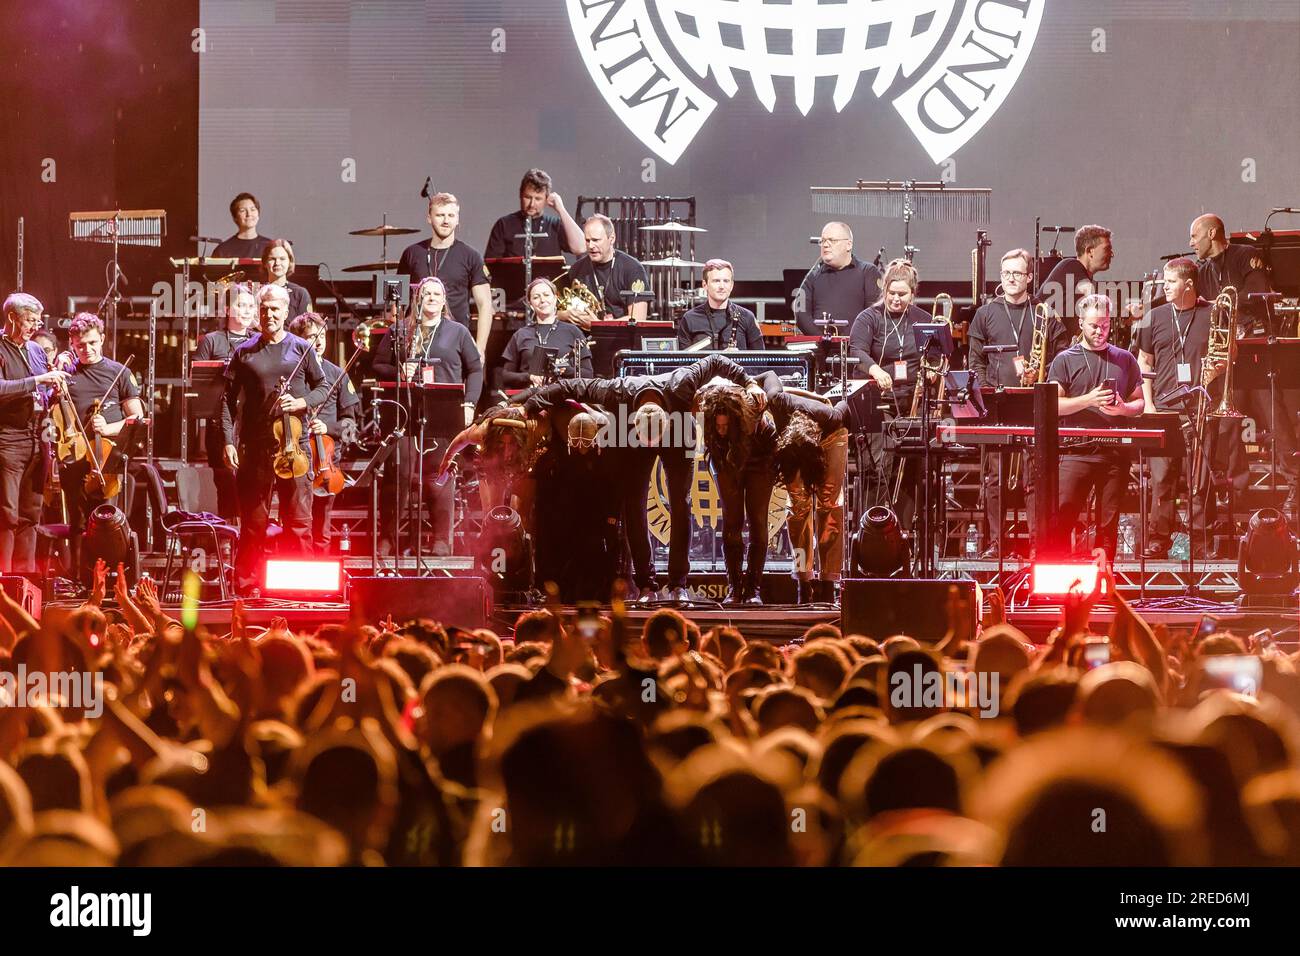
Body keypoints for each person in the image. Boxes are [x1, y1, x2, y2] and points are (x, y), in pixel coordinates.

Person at [513, 355, 765, 603]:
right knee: (634, 505)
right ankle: (646, 584)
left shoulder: (682, 382)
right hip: (633, 441)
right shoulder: (617, 392)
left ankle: (678, 584)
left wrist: (749, 381)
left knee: (680, 503)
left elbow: (717, 360)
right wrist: (528, 406)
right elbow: (570, 386)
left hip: (678, 437)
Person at [221, 284, 329, 596]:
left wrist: (302, 403)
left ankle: (300, 588)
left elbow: (323, 386)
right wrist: (228, 440)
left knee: (298, 521)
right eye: (264, 309)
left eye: (275, 309)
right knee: (253, 524)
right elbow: (227, 402)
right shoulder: (245, 351)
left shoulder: (301, 348)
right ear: (258, 312)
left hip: (293, 446)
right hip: (255, 447)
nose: (269, 314)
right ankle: (246, 586)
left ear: (285, 312)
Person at [967, 248, 1069, 557]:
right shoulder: (986, 313)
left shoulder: (1044, 312)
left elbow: (1062, 355)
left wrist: (1042, 375)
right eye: (1006, 273)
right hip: (997, 404)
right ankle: (997, 544)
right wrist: (986, 391)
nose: (1012, 279)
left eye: (1018, 273)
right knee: (995, 477)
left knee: (1034, 477)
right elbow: (976, 360)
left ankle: (1039, 545)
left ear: (1028, 277)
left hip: (1034, 404)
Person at [1190, 212, 1293, 514]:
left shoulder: (1245, 255)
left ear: (1212, 234)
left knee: (1277, 422)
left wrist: (1226, 306)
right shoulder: (1201, 271)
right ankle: (1234, 493)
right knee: (1227, 429)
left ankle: (1295, 489)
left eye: (1195, 236)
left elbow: (1259, 293)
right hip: (1227, 361)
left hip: (1255, 356)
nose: (1191, 242)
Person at [371, 277, 483, 556]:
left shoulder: (457, 331)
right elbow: (377, 365)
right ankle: (388, 538)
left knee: (440, 473)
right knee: (400, 472)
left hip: (444, 414)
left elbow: (476, 370)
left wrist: (469, 403)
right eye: (426, 293)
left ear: (444, 300)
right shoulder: (400, 330)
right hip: (406, 412)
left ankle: (441, 540)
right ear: (417, 299)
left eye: (437, 293)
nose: (431, 297)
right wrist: (399, 374)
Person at [1046, 294, 1145, 560]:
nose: (1099, 331)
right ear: (1080, 323)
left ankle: (1104, 581)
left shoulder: (1124, 359)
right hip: (1074, 451)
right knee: (1062, 517)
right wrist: (1089, 399)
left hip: (1114, 453)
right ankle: (1059, 578)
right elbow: (1052, 406)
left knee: (1107, 525)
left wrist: (1124, 409)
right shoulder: (1064, 360)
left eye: (1104, 325)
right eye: (1093, 325)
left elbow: (1140, 405)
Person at [1136, 258, 1218, 559]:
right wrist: (1148, 404)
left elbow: (1229, 353)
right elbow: (1144, 362)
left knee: (1199, 478)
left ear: (1189, 284)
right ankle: (1159, 537)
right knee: (1161, 478)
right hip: (1164, 410)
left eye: (1170, 282)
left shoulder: (1211, 313)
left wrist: (1216, 372)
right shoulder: (1155, 316)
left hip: (1201, 409)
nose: (1165, 287)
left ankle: (1200, 537)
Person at [56, 314, 144, 577]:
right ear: (72, 344)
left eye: (93, 343)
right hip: (74, 458)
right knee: (78, 522)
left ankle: (112, 575)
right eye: (80, 345)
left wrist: (109, 429)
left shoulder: (119, 373)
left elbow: (136, 417)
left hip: (108, 458)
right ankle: (80, 577)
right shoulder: (66, 375)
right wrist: (57, 366)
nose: (88, 350)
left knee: (109, 522)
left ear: (102, 339)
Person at [849, 259, 932, 529]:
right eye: (891, 293)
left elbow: (936, 353)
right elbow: (856, 351)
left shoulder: (922, 319)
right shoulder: (868, 318)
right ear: (884, 290)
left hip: (912, 404)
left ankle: (904, 532)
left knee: (908, 471)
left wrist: (931, 369)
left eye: (902, 294)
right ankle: (871, 530)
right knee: (877, 471)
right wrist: (874, 369)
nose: (896, 299)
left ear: (913, 293)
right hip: (876, 404)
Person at [758, 372, 851, 604]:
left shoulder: (830, 417)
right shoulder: (778, 401)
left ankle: (829, 583)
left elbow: (845, 404)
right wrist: (750, 384)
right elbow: (768, 374)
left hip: (831, 434)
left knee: (829, 503)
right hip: (794, 442)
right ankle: (803, 582)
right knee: (798, 508)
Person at [0, 293, 66, 573]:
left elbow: (40, 393)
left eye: (37, 321)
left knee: (30, 513)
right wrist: (38, 380)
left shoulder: (37, 350)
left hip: (36, 439)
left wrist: (53, 390)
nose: (34, 327)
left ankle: (25, 580)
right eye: (29, 320)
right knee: (7, 513)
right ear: (12, 317)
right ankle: (4, 584)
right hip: (7, 438)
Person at [287, 314, 360, 556]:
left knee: (323, 523)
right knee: (298, 520)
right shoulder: (292, 373)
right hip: (297, 456)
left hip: (327, 461)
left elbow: (350, 426)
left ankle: (322, 571)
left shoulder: (338, 373)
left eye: (320, 336)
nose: (317, 342)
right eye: (310, 337)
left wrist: (328, 428)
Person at [697, 381, 775, 605]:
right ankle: (734, 588)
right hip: (725, 459)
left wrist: (753, 384)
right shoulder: (711, 421)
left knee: (757, 521)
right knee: (732, 522)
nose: (721, 430)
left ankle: (753, 589)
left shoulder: (754, 416)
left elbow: (770, 376)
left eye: (725, 426)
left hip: (760, 459)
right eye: (717, 426)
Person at [397, 192, 495, 357]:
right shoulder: (411, 253)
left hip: (455, 341)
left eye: (451, 215)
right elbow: (398, 302)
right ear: (429, 218)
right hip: (416, 340)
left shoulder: (471, 256)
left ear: (457, 219)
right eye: (440, 215)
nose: (446, 220)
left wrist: (480, 349)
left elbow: (485, 305)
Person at [193, 283, 258, 522]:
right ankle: (227, 536)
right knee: (226, 483)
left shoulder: (259, 340)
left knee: (252, 482)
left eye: (251, 306)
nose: (247, 311)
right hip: (220, 422)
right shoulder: (211, 341)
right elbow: (198, 385)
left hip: (251, 421)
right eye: (242, 305)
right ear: (229, 309)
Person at [793, 222, 883, 336]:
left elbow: (874, 313)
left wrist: (856, 341)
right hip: (820, 349)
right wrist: (821, 339)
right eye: (823, 241)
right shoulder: (813, 277)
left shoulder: (868, 272)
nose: (825, 245)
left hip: (856, 349)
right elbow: (801, 314)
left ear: (849, 244)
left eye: (832, 240)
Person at [560, 214, 650, 327]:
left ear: (611, 239)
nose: (591, 246)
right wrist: (566, 315)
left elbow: (638, 318)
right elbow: (555, 311)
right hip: (582, 337)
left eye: (596, 240)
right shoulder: (577, 269)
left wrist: (598, 325)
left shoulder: (632, 268)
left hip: (620, 338)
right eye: (587, 241)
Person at [499, 278, 591, 389]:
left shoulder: (573, 331)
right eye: (536, 297)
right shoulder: (521, 334)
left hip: (565, 396)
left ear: (555, 299)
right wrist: (529, 377)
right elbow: (506, 376)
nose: (542, 300)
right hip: (530, 398)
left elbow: (588, 374)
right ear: (531, 304)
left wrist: (566, 370)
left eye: (546, 295)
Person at [484, 168, 584, 260]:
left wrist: (561, 210)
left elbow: (580, 248)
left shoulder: (554, 225)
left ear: (546, 199)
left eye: (538, 199)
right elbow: (491, 264)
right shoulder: (504, 225)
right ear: (520, 195)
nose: (532, 204)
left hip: (549, 279)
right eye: (528, 197)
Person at [1037, 224, 1114, 337]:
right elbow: (1093, 298)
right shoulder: (1071, 266)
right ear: (1090, 251)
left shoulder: (1081, 275)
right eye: (1107, 249)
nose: (1112, 254)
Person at [677, 258, 764, 350]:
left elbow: (761, 360)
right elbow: (683, 362)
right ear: (704, 285)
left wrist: (738, 359)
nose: (722, 286)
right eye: (716, 281)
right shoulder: (689, 318)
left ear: (732, 285)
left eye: (726, 281)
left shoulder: (747, 317)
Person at [261, 239, 311, 321]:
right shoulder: (258, 292)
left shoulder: (300, 294)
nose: (277, 263)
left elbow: (306, 328)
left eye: (282, 258)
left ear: (290, 262)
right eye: (272, 259)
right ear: (265, 262)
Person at [212, 192, 273, 260]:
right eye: (242, 210)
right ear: (235, 218)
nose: (249, 214)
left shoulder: (271, 246)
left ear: (258, 214)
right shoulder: (222, 250)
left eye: (252, 209)